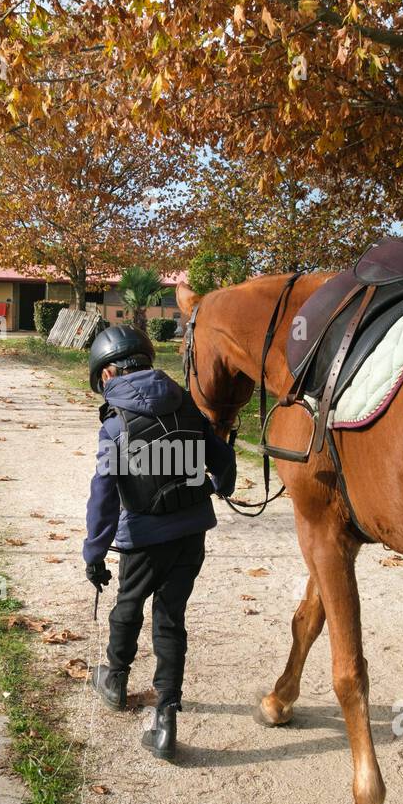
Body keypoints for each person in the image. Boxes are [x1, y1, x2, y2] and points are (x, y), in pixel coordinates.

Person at [82, 323, 236, 760]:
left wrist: (94, 553)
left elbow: (104, 496)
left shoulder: (115, 425)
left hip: (145, 538)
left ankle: (115, 680)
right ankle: (165, 717)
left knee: (128, 607)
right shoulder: (187, 406)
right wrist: (215, 488)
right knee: (171, 619)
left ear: (109, 374)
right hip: (191, 535)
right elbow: (222, 460)